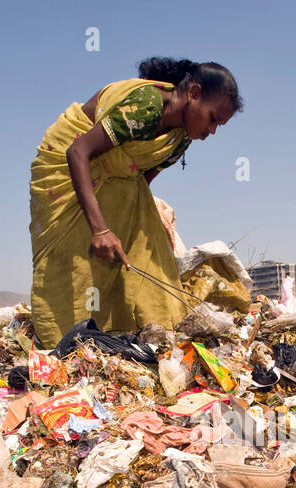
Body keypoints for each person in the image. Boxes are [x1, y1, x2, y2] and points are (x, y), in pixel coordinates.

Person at [28, 58, 242, 348]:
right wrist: (101, 230)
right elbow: (78, 150)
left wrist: (140, 226)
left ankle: (139, 334)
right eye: (213, 118)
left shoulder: (179, 138)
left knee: (146, 254)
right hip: (70, 171)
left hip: (115, 183)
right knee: (75, 260)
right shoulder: (147, 105)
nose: (213, 130)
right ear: (193, 93)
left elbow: (138, 181)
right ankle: (65, 341)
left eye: (220, 125)